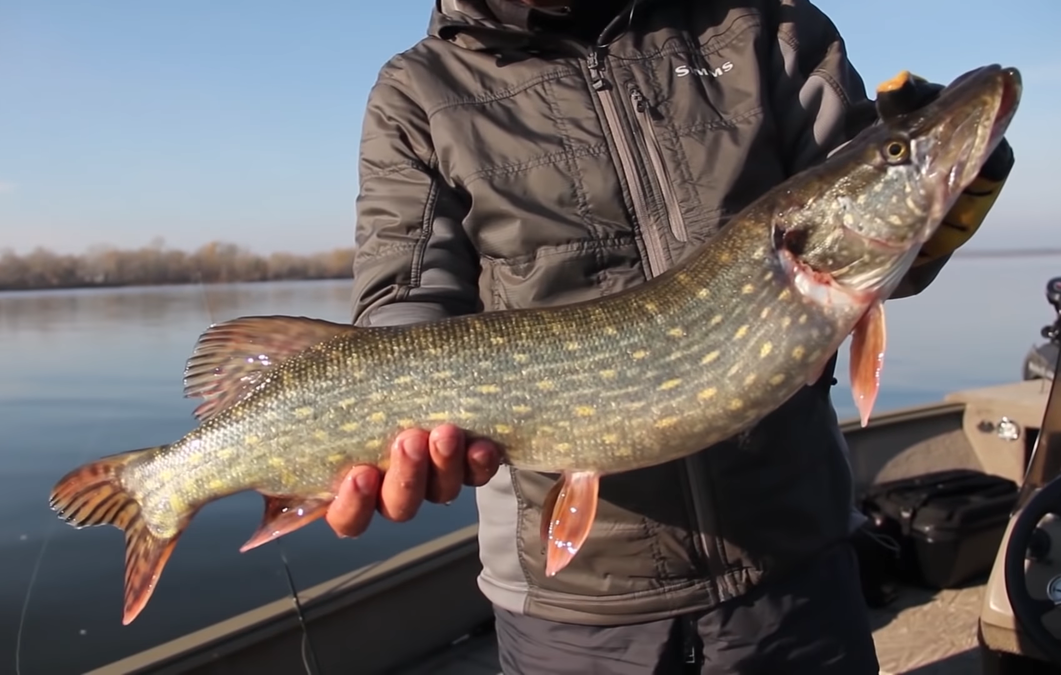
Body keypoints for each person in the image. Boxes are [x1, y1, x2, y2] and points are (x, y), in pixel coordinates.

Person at [327, 1, 1015, 673]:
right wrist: (405, 430)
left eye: (902, 155)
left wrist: (953, 177)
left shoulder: (763, 25)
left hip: (792, 567)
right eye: (904, 154)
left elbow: (878, 248)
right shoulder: (419, 91)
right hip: (572, 613)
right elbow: (407, 297)